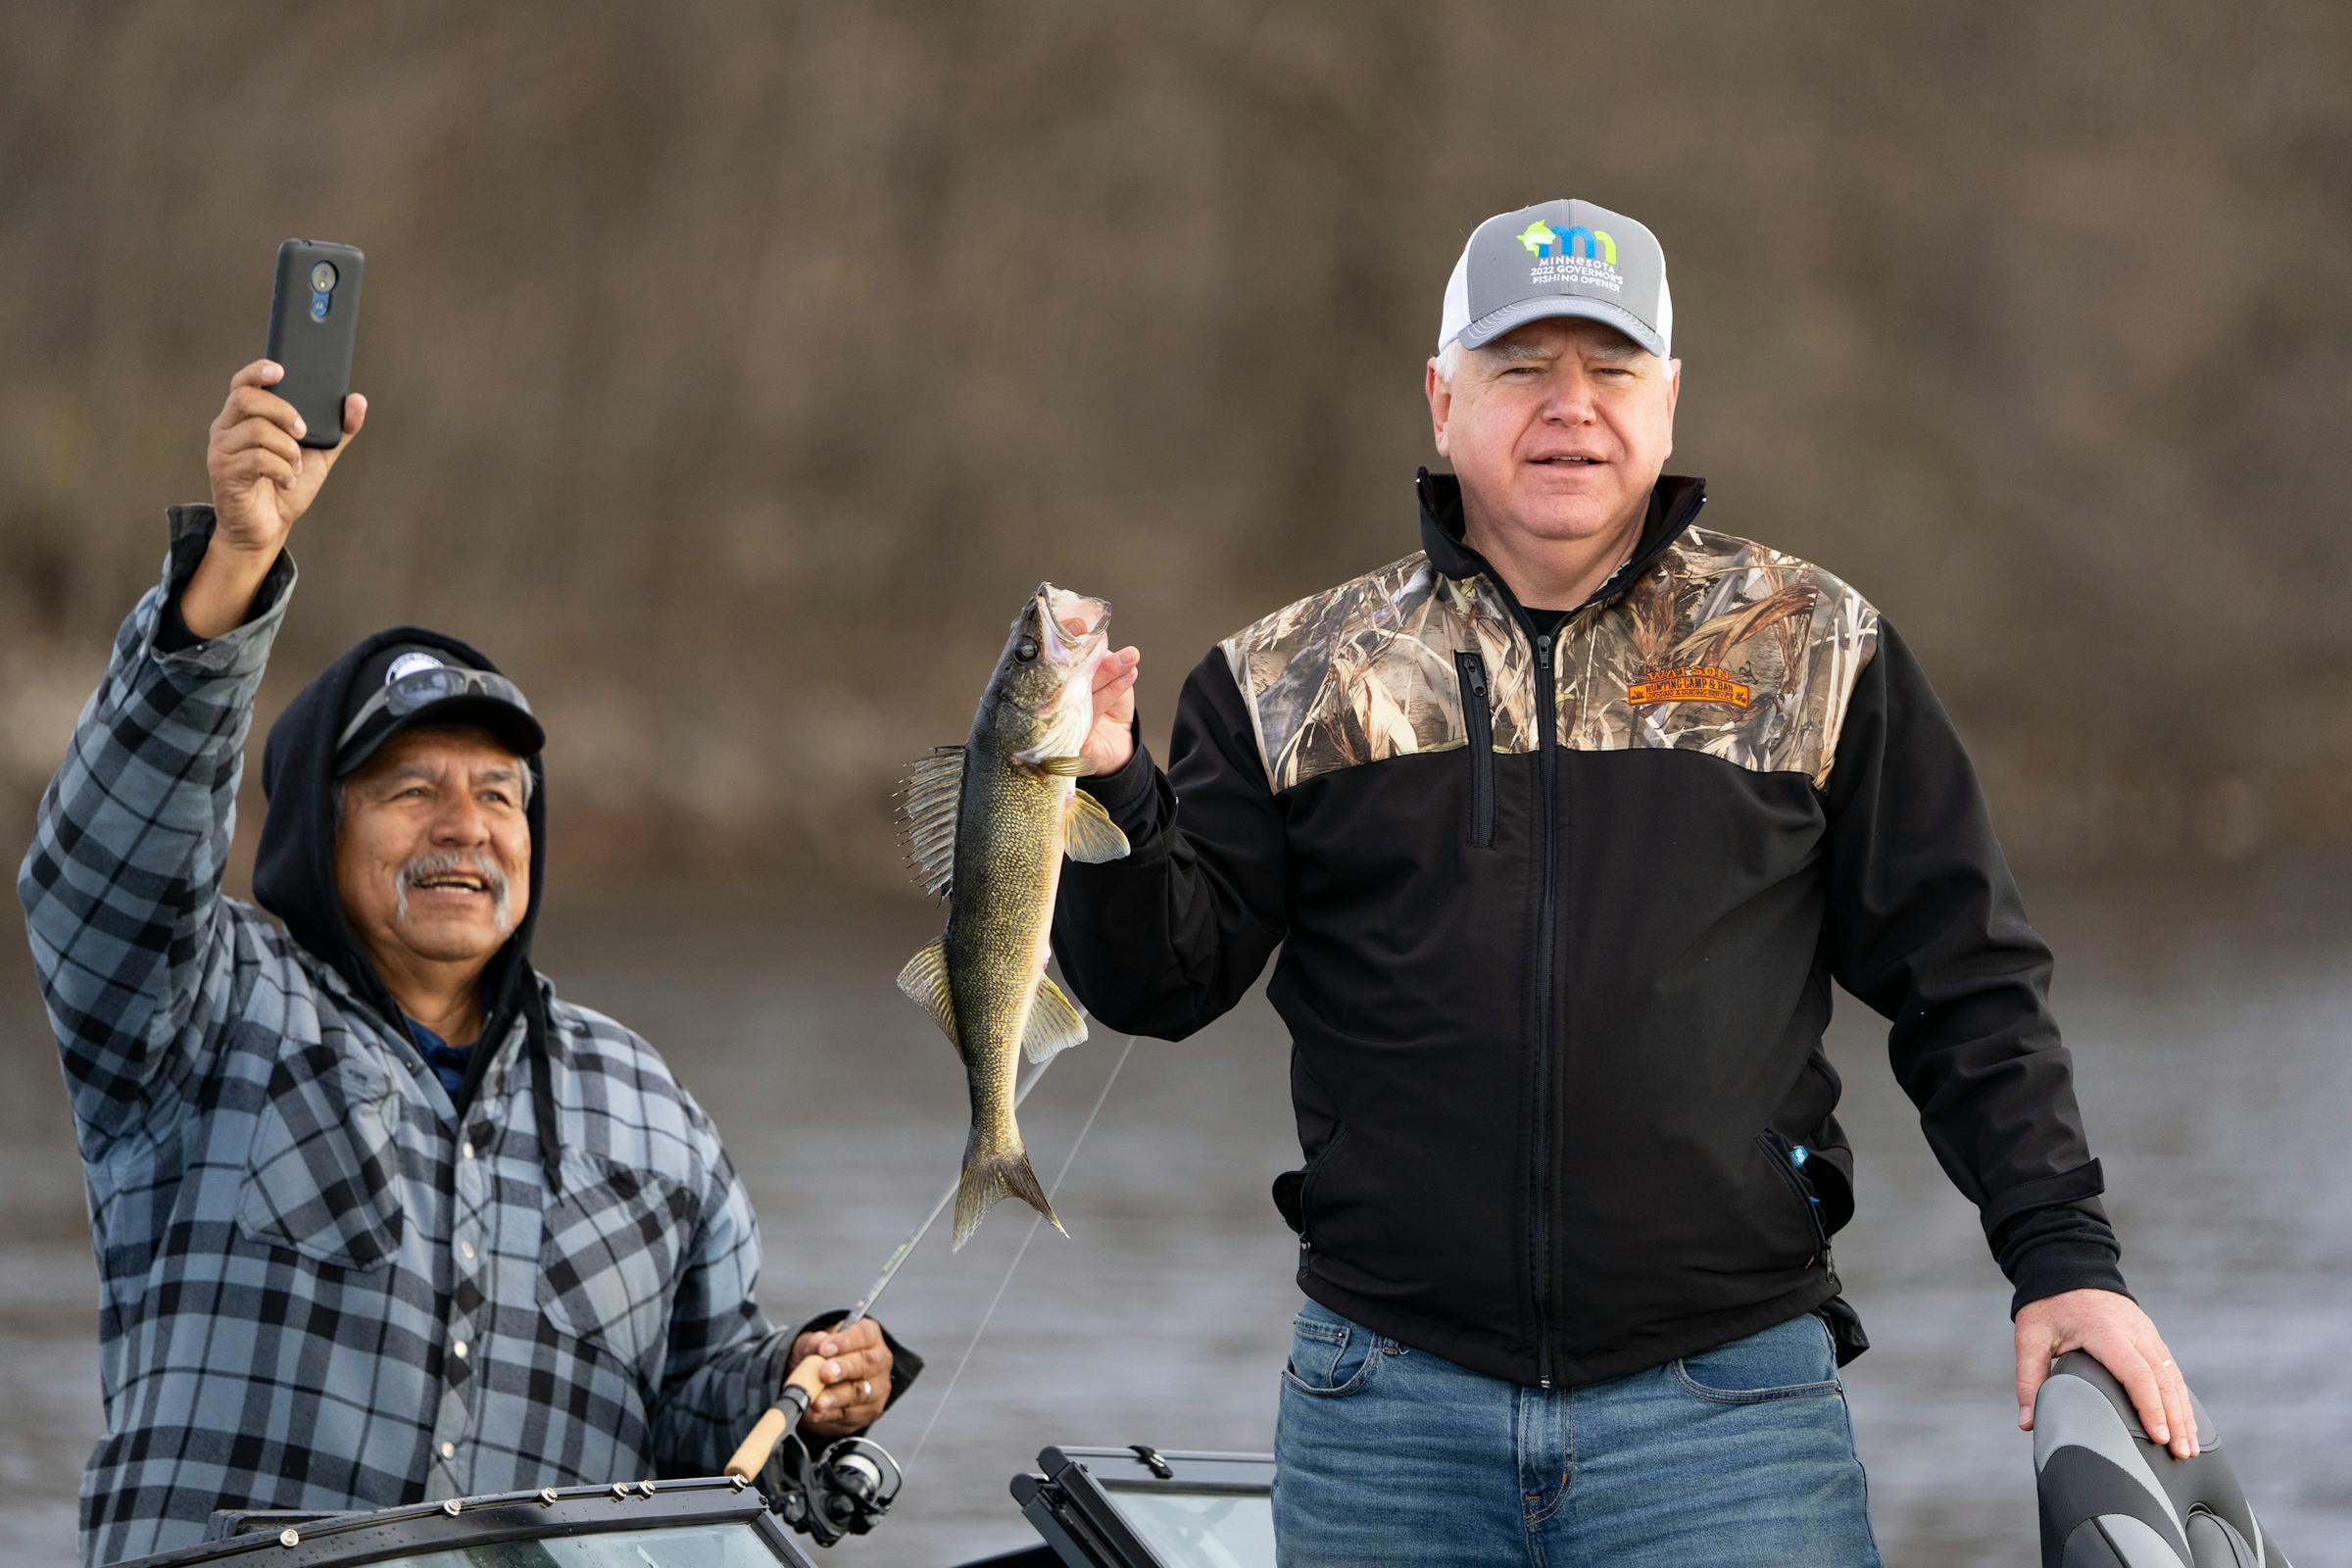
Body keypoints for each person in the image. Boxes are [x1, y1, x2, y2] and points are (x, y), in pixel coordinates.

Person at [1052, 199, 2193, 1565]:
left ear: (1668, 400)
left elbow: (1969, 980)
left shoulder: (1815, 648)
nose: (1570, 407)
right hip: (1385, 1416)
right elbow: (1157, 985)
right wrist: (1109, 786)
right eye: (1523, 367)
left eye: (1610, 368)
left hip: (1727, 1412)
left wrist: (2061, 1253)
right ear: (1441, 398)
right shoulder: (1289, 676)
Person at [18, 362, 915, 1565]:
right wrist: (231, 566)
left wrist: (803, 1381)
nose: (466, 825)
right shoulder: (196, 1007)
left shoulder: (648, 1104)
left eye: (500, 793)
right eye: (412, 789)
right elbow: (104, 864)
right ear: (314, 833)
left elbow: (694, 1421)